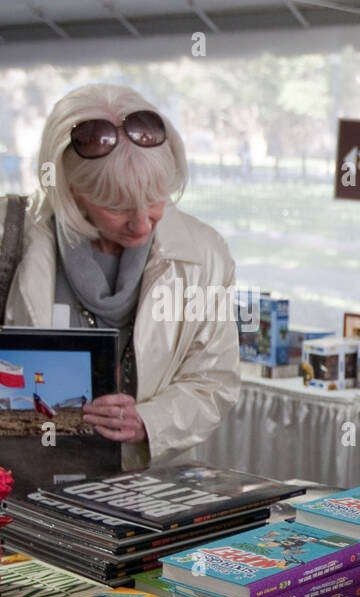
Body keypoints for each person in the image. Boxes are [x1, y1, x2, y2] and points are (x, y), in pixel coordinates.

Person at [1, 84, 239, 472]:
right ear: (71, 190)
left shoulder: (204, 254)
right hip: (24, 487)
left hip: (150, 491)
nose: (142, 224)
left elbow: (213, 380)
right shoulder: (7, 239)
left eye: (156, 198)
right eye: (118, 206)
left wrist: (150, 421)